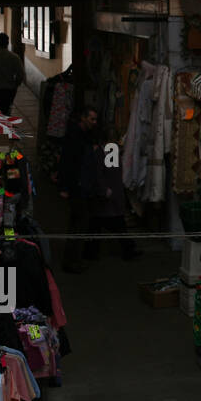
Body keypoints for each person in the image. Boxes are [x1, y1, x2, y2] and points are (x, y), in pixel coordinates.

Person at [55, 105, 100, 274]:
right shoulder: (75, 137)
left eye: (95, 120)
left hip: (81, 186)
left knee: (78, 223)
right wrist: (64, 187)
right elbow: (67, 163)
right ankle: (72, 261)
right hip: (77, 187)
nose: (94, 123)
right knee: (77, 224)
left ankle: (74, 258)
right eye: (92, 119)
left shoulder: (83, 135)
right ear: (83, 118)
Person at [88, 124, 141, 261]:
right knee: (114, 224)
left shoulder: (104, 152)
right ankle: (127, 250)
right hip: (108, 196)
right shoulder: (105, 153)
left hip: (109, 196)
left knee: (99, 225)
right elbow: (103, 174)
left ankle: (92, 253)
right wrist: (106, 190)